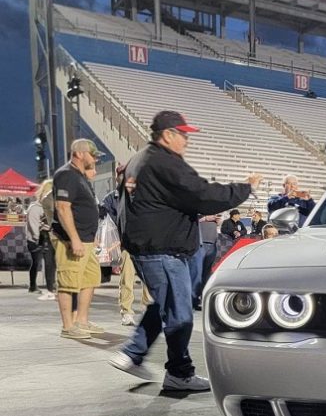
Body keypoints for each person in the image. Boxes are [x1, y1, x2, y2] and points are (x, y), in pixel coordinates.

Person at [109, 110, 261, 391]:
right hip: (163, 250)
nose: (187, 141)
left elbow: (121, 207)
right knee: (180, 314)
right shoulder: (165, 163)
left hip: (150, 248)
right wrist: (245, 187)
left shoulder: (138, 160)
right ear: (168, 135)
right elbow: (204, 195)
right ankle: (179, 373)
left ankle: (133, 351)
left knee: (165, 303)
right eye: (183, 135)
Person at [51, 139, 105, 340]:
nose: (95, 159)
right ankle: (68, 326)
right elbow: (63, 208)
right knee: (68, 280)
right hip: (72, 240)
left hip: (86, 239)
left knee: (90, 278)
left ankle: (81, 321)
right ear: (80, 154)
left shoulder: (79, 176)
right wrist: (74, 239)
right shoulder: (66, 174)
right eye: (93, 155)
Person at [100, 168, 153, 326]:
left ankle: (147, 308)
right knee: (127, 279)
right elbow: (103, 221)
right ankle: (127, 311)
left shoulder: (143, 196)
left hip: (145, 244)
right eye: (122, 177)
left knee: (148, 280)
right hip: (125, 245)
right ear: (117, 178)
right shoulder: (111, 198)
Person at [25, 193, 56, 300]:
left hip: (43, 238)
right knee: (38, 263)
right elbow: (33, 225)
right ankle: (33, 285)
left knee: (49, 263)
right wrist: (36, 238)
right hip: (36, 240)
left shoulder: (46, 207)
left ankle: (50, 285)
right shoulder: (35, 208)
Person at [192, 214, 221, 310]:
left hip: (212, 243)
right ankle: (194, 300)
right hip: (200, 243)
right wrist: (205, 218)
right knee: (197, 273)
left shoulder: (213, 210)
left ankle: (204, 299)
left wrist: (217, 222)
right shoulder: (198, 207)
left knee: (207, 274)